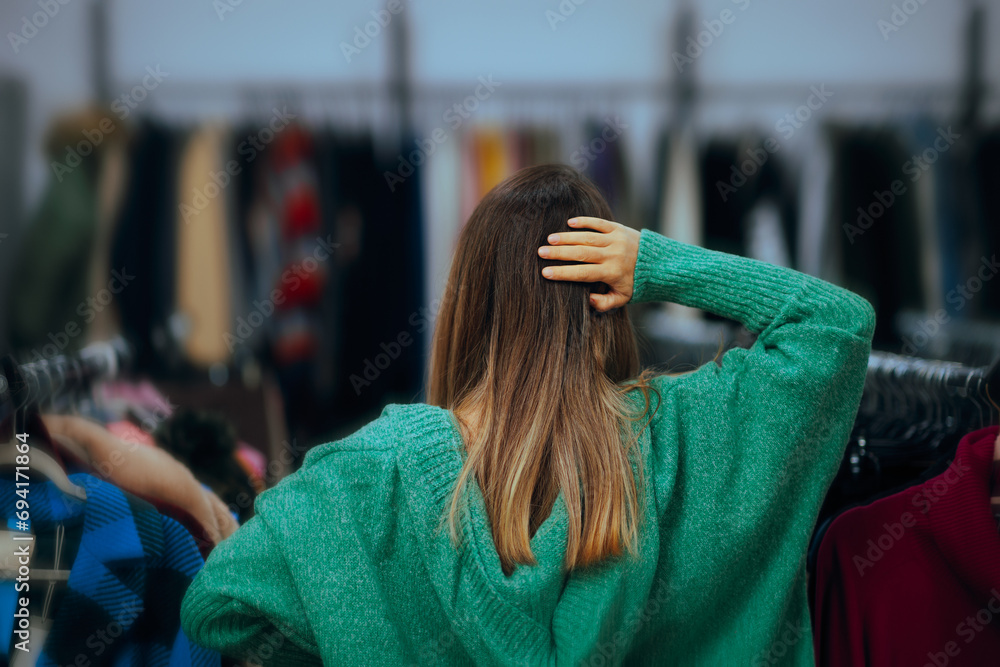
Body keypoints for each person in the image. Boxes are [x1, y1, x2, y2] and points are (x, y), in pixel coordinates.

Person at [180, 164, 875, 665]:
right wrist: (655, 262)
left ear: (469, 298)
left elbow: (219, 602)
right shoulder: (692, 435)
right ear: (604, 298)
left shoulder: (374, 472)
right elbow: (837, 324)